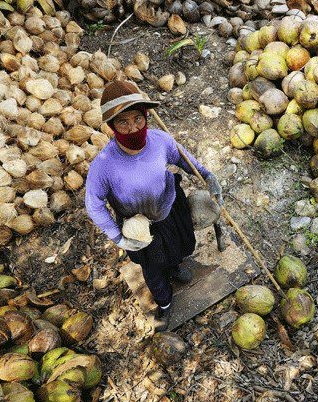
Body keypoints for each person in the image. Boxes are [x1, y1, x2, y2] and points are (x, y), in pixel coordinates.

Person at [85, 80, 222, 331]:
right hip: (140, 227)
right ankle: (165, 303)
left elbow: (185, 161)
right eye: (122, 122)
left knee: (181, 245)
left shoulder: (161, 141)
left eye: (138, 118)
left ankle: (177, 265)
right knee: (153, 269)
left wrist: (208, 176)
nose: (132, 127)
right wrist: (118, 237)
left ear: (146, 116)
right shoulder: (104, 165)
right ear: (112, 126)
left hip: (170, 208)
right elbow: (94, 206)